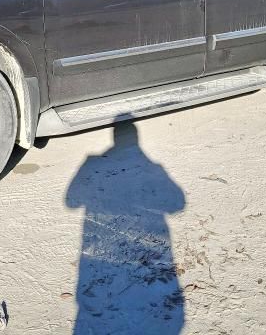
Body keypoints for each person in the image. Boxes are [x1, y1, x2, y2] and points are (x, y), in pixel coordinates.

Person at [65, 122, 186, 334]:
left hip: (100, 255)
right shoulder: (154, 168)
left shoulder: (91, 163)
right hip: (143, 254)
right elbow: (178, 203)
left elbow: (71, 201)